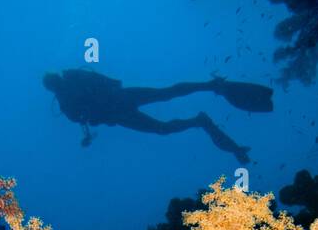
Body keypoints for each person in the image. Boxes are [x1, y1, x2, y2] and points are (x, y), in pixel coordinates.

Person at [42, 69, 273, 161]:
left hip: (119, 106)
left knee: (165, 100)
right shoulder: (69, 88)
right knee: (166, 99)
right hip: (120, 103)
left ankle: (205, 99)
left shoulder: (67, 93)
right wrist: (112, 89)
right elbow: (102, 83)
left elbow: (84, 119)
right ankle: (204, 103)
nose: (56, 86)